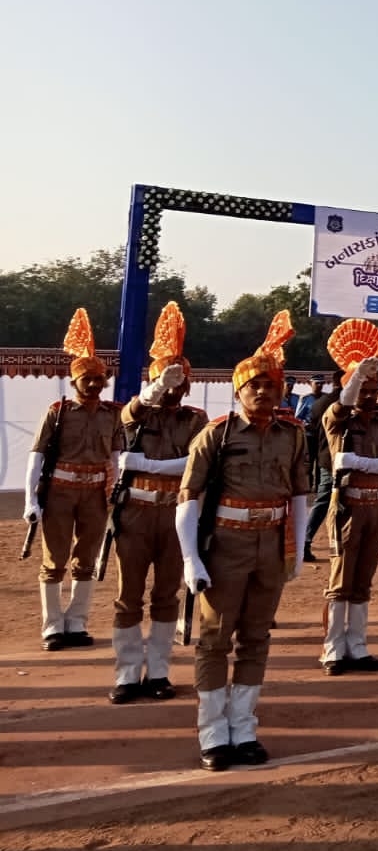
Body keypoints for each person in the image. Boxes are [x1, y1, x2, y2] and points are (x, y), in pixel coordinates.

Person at [176, 311, 309, 771]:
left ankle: (244, 729)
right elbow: (189, 499)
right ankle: (213, 735)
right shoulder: (216, 433)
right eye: (254, 384)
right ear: (239, 390)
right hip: (226, 544)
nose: (263, 391)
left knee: (256, 637)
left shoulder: (293, 435)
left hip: (270, 543)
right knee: (215, 639)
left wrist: (296, 548)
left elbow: (300, 496)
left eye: (271, 384)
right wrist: (191, 558)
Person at [109, 302, 208, 704]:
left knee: (167, 595)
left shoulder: (195, 419)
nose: (174, 387)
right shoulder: (138, 414)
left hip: (175, 515)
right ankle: (128, 674)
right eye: (167, 380)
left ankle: (160, 672)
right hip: (134, 513)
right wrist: (155, 388)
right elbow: (132, 411)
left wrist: (146, 463)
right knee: (128, 595)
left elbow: (195, 465)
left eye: (180, 380)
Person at [24, 309, 123, 652]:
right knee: (55, 559)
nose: (94, 384)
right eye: (88, 379)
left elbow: (115, 456)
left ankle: (77, 621)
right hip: (60, 491)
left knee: (88, 558)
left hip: (96, 492)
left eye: (99, 379)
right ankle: (52, 626)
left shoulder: (113, 414)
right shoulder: (58, 411)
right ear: (75, 381)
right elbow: (37, 455)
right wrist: (30, 500)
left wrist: (115, 489)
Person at [319, 319, 378, 676]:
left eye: (373, 383)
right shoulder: (337, 418)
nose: (368, 390)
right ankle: (334, 648)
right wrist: (354, 378)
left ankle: (358, 644)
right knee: (340, 578)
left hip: (376, 505)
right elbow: (342, 405)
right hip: (347, 506)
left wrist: (370, 464)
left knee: (364, 577)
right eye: (362, 383)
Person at [302, 377, 341, 562]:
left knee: (325, 500)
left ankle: (307, 541)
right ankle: (305, 541)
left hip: (326, 455)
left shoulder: (319, 403)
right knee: (325, 500)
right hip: (338, 458)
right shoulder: (344, 402)